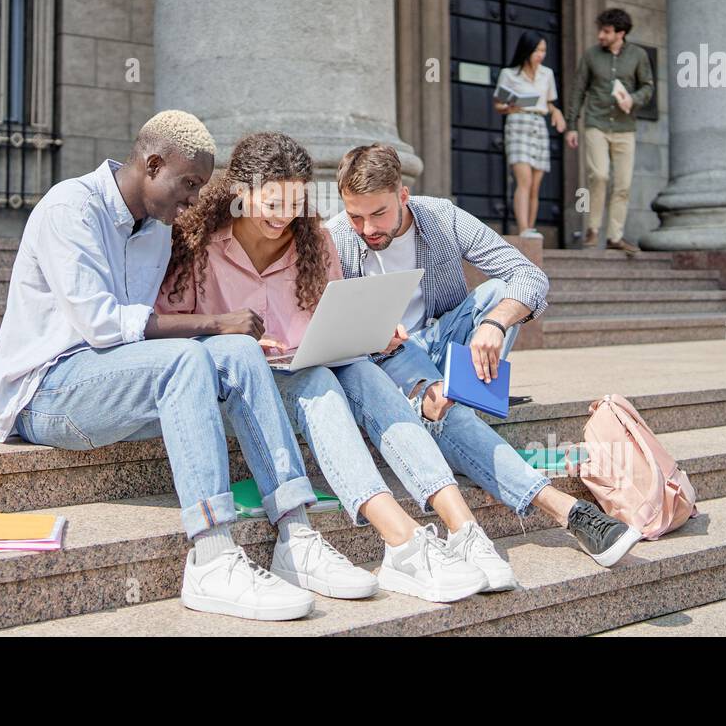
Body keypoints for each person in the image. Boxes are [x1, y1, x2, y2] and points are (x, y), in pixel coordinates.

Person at [0, 111, 368, 622]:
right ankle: (211, 557)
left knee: (237, 352)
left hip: (118, 380)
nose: (193, 200)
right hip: (47, 393)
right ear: (151, 163)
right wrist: (213, 323)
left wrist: (226, 335)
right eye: (187, 184)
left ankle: (296, 535)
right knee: (191, 355)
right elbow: (102, 326)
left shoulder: (157, 229)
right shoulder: (70, 208)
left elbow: (140, 340)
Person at [158, 132, 513, 602]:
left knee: (361, 370)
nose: (285, 215)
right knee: (321, 380)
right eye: (272, 203)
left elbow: (329, 319)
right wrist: (228, 336)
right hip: (242, 389)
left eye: (295, 202)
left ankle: (463, 528)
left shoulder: (314, 242)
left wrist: (372, 332)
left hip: (310, 368)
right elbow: (171, 332)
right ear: (239, 193)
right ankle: (404, 541)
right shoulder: (197, 245)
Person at [326, 143, 644, 569]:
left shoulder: (440, 217)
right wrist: (368, 335)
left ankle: (449, 403)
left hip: (445, 339)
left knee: (499, 294)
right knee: (444, 410)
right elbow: (319, 326)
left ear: (402, 196)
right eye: (356, 215)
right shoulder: (336, 237)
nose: (366, 228)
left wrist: (494, 324)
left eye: (378, 214)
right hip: (389, 359)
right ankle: (567, 511)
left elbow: (529, 276)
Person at [564, 8, 655, 252]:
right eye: (600, 30)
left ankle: (615, 237)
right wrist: (571, 125)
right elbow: (578, 90)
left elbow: (648, 86)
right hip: (596, 123)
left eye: (606, 31)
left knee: (623, 184)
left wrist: (633, 100)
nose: (600, 36)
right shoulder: (591, 55)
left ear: (620, 33)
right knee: (600, 175)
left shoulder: (638, 55)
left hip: (625, 127)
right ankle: (593, 228)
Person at [494, 30, 566, 240]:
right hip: (518, 123)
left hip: (539, 125)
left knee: (535, 184)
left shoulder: (547, 74)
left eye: (543, 50)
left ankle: (530, 228)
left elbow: (550, 102)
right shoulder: (509, 74)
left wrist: (557, 112)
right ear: (527, 51)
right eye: (537, 50)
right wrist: (509, 106)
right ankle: (523, 228)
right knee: (523, 180)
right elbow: (498, 104)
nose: (541, 54)